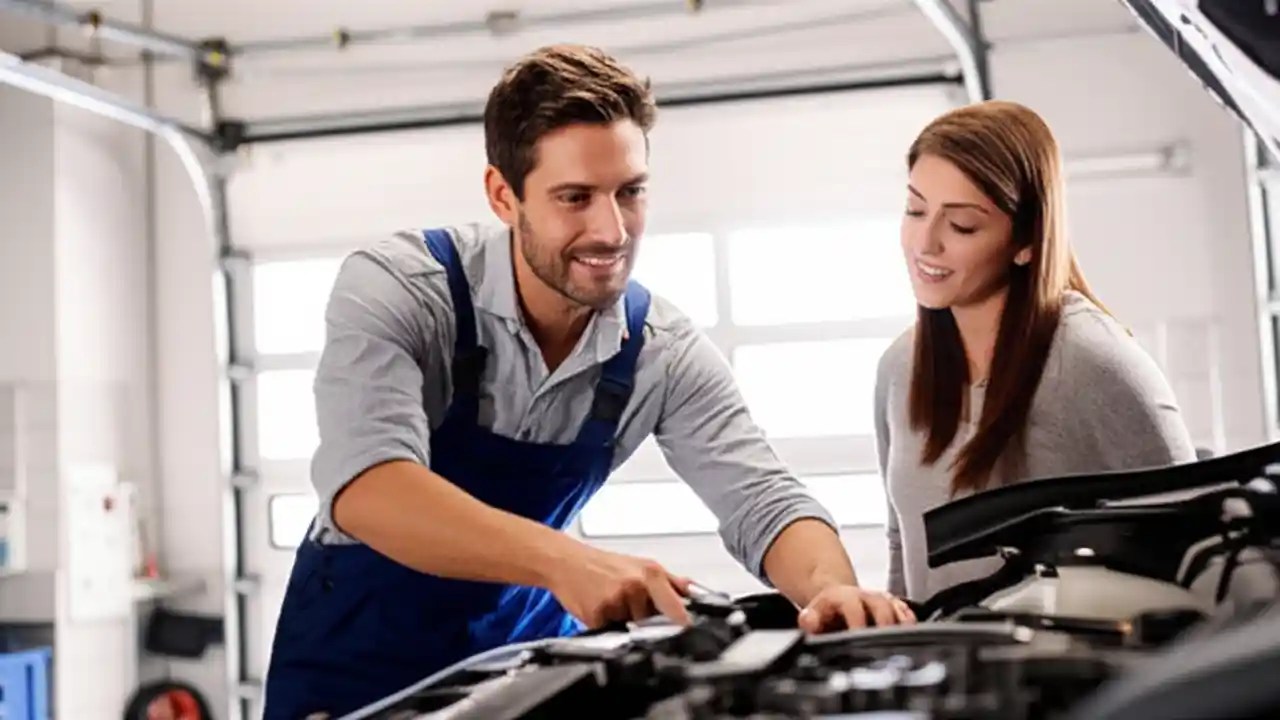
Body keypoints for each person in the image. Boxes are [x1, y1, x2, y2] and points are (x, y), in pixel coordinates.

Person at [263, 44, 913, 719]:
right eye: (575, 198)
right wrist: (565, 562)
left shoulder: (659, 347)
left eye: (630, 192)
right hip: (352, 678)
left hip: (519, 679)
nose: (611, 230)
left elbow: (763, 497)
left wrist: (830, 589)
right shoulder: (400, 288)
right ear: (502, 194)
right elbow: (369, 485)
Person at [874, 100, 1198, 604]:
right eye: (915, 210)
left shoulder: (1092, 362)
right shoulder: (899, 368)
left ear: (1026, 241)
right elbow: (903, 545)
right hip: (948, 672)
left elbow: (1196, 549)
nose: (925, 243)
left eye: (961, 226)